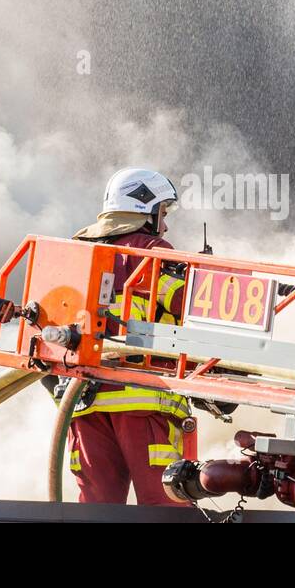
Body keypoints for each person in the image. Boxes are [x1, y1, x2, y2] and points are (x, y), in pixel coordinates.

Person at [58, 167, 191, 505]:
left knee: (96, 510)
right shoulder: (150, 249)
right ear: (144, 208)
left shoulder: (76, 250)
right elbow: (184, 303)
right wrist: (201, 278)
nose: (165, 224)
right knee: (163, 507)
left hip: (83, 402)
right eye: (163, 212)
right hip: (143, 400)